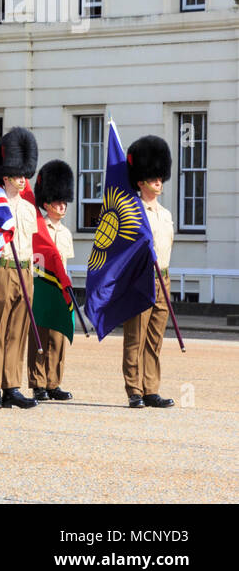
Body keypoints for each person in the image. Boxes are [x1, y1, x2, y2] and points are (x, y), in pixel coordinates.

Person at [0, 127, 39, 410]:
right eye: (17, 175)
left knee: (18, 328)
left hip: (25, 270)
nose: (22, 179)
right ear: (5, 177)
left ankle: (11, 385)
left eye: (24, 174)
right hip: (3, 268)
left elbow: (32, 243)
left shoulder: (28, 209)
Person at [123, 135, 175, 410]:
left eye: (160, 177)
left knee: (155, 337)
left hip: (162, 277)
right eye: (153, 177)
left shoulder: (165, 214)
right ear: (140, 181)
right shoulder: (132, 211)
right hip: (141, 278)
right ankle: (134, 389)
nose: (158, 181)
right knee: (136, 336)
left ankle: (151, 388)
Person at [29, 159, 75, 401]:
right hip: (41, 285)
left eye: (64, 202)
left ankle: (53, 382)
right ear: (46, 204)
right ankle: (37, 382)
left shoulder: (66, 233)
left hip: (58, 287)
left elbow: (65, 264)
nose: (62, 206)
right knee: (40, 336)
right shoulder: (38, 228)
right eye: (57, 202)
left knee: (57, 337)